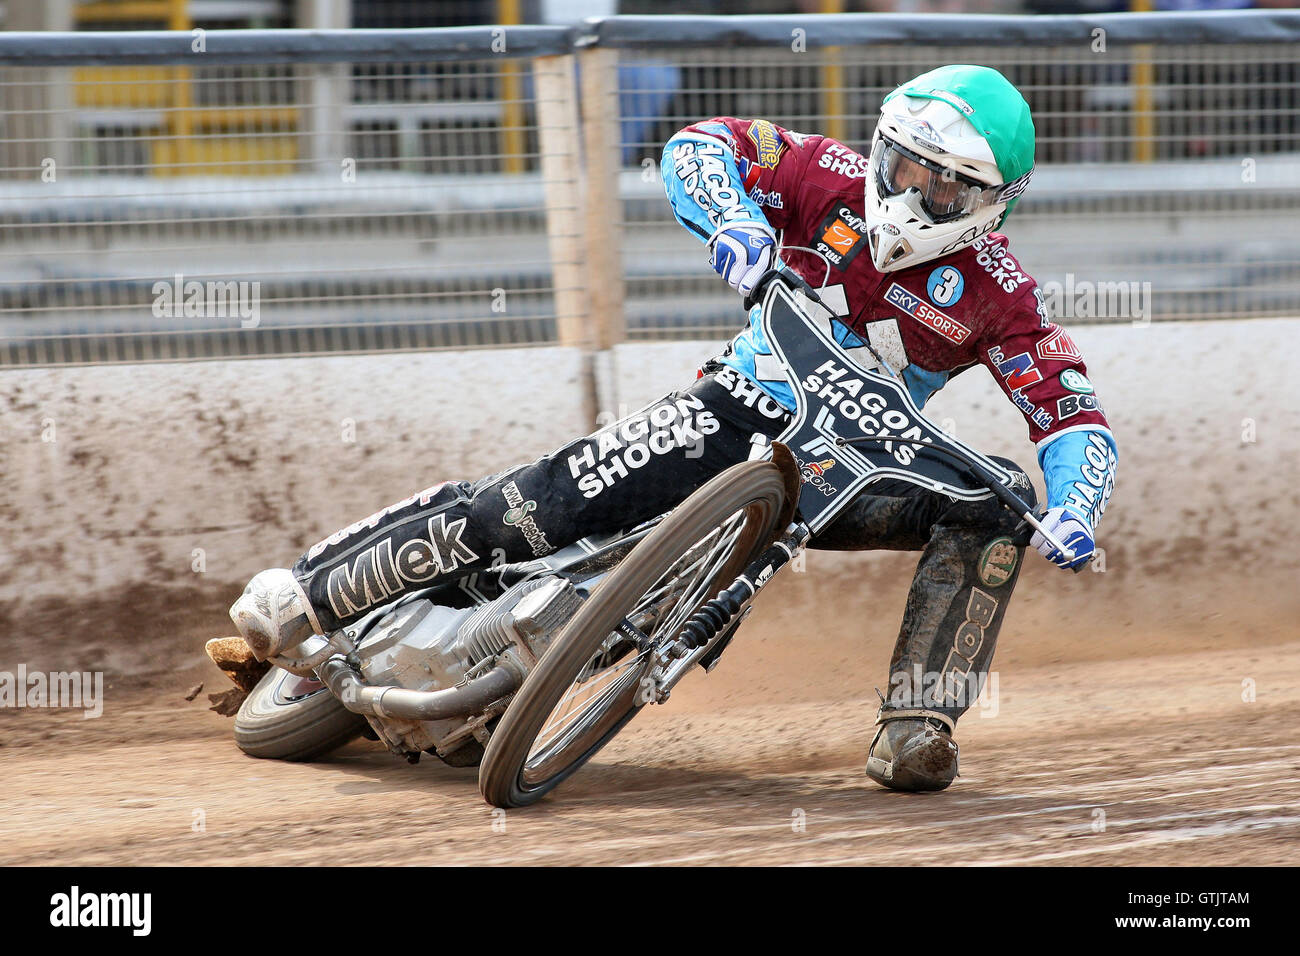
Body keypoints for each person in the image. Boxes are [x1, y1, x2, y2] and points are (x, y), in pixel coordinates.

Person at [229, 64, 1117, 793]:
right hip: (727, 414)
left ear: (988, 202)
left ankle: (918, 725)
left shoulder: (1001, 294)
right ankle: (308, 593)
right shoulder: (824, 174)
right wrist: (731, 222)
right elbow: (701, 144)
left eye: (940, 181)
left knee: (999, 503)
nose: (909, 191)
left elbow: (1071, 408)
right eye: (901, 163)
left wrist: (1077, 504)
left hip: (854, 476)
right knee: (530, 512)